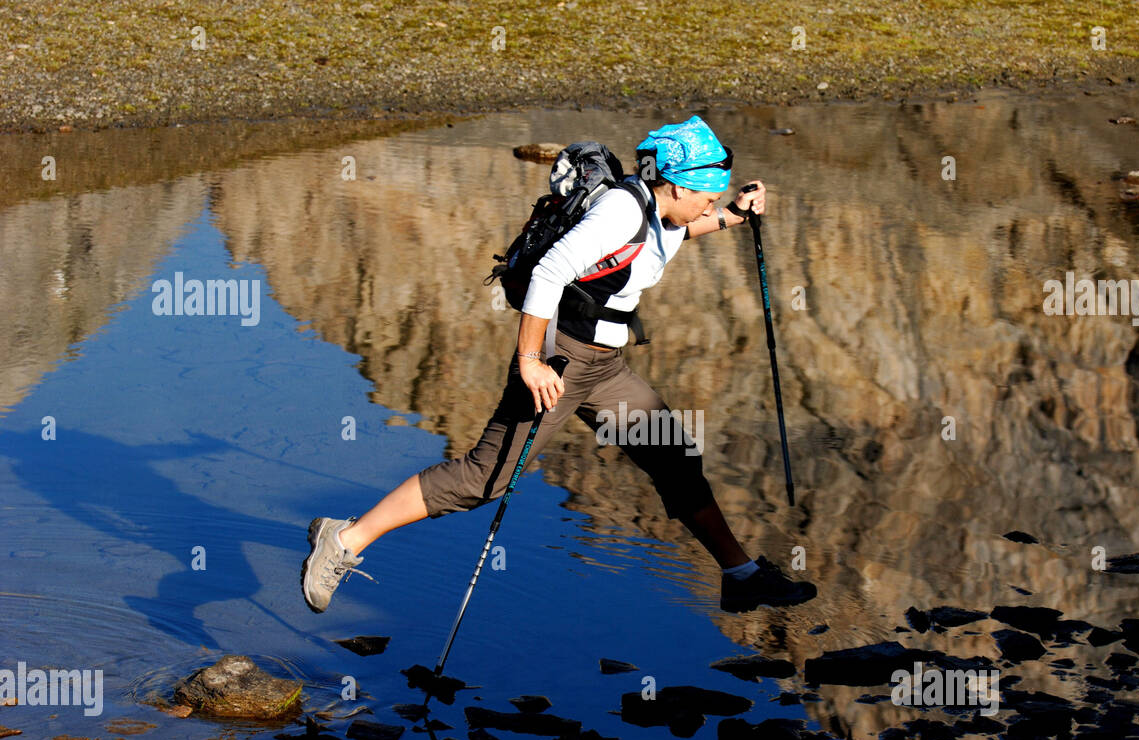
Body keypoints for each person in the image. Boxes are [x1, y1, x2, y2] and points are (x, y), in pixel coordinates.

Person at [301, 115, 816, 616]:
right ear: (680, 188)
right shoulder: (619, 210)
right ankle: (342, 539)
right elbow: (550, 272)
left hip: (605, 368)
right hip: (559, 360)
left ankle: (740, 577)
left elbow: (668, 237)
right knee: (485, 479)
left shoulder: (661, 209)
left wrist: (734, 216)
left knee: (673, 455)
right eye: (709, 197)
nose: (713, 204)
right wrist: (530, 361)